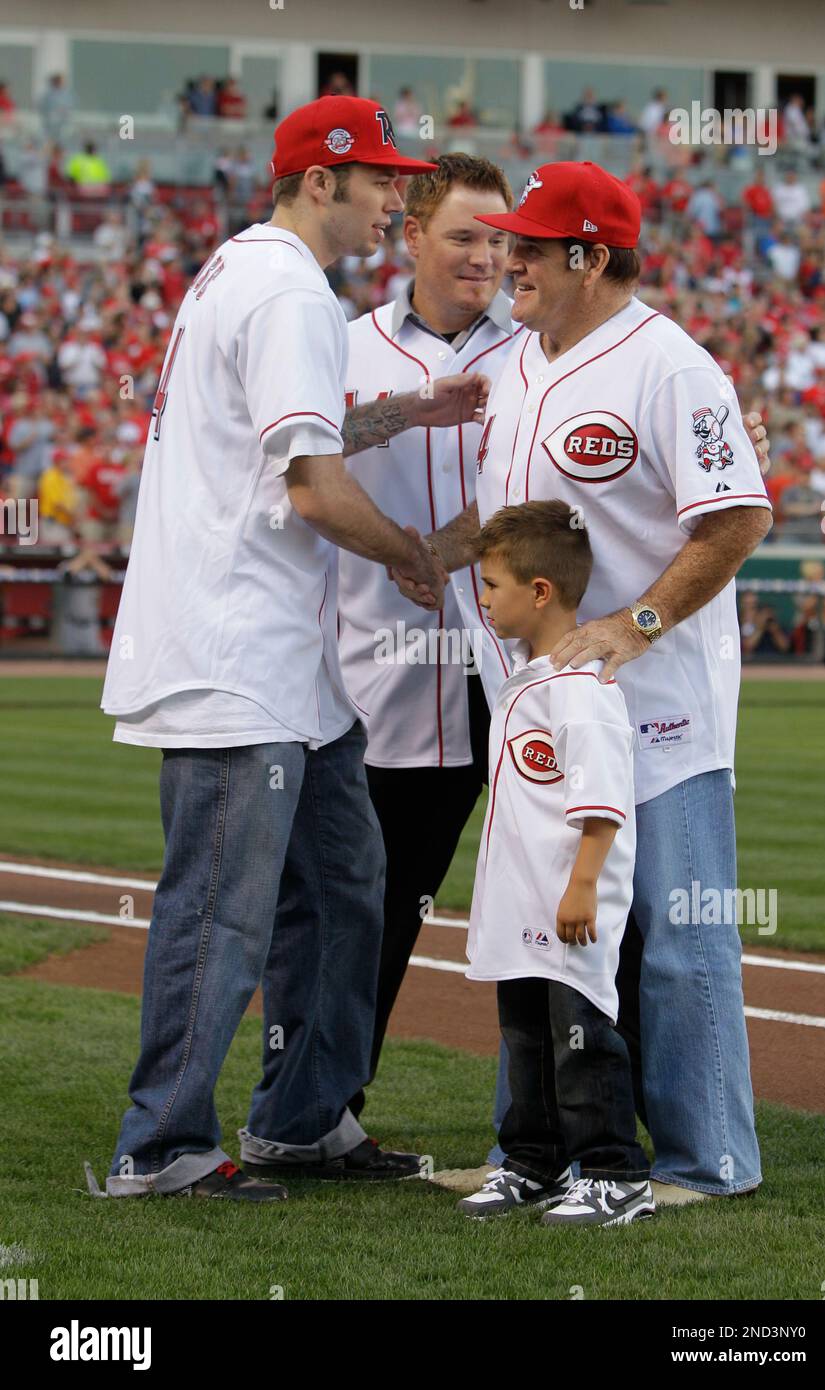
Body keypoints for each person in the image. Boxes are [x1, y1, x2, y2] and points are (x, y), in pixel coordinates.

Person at [92, 95, 486, 1203]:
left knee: (351, 881)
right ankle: (159, 1145)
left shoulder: (244, 272)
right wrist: (415, 555)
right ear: (322, 181)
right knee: (220, 903)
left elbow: (295, 435)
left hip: (286, 665)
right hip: (236, 654)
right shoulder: (286, 289)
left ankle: (302, 1119)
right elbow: (310, 488)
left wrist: (405, 412)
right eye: (379, 186)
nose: (392, 205)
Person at [394, 161, 772, 1205]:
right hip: (536, 704)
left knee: (677, 941)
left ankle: (709, 1162)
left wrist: (638, 621)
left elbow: (738, 515)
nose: (506, 259)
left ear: (590, 257)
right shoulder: (516, 362)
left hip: (660, 705)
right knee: (541, 935)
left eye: (529, 245)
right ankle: (548, 1151)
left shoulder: (669, 365)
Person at [338, 153, 518, 1121]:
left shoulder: (533, 349)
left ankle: (568, 1126)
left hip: (517, 667)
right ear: (409, 234)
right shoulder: (345, 344)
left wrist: (440, 554)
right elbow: (303, 447)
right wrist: (402, 414)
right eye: (462, 236)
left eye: (498, 239)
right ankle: (328, 1106)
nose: (484, 256)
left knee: (550, 891)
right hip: (386, 669)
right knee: (378, 902)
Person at [457, 501, 654, 1228]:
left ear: (540, 591)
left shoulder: (581, 690)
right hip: (523, 906)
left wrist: (581, 889)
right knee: (528, 1043)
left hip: (569, 907)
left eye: (493, 584)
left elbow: (601, 806)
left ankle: (613, 1173)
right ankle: (532, 1164)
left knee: (584, 1042)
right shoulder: (528, 679)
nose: (483, 597)